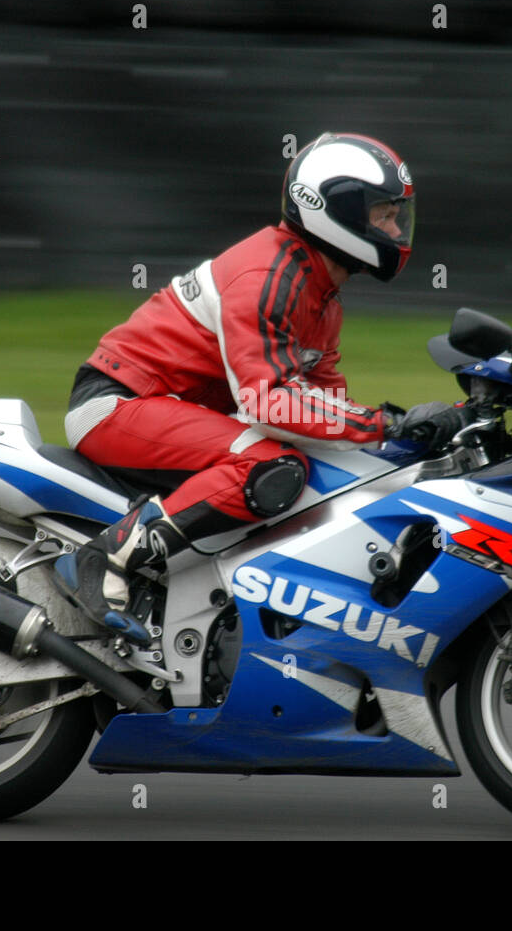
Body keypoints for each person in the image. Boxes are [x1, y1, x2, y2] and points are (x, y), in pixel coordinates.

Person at [56, 132, 465, 645]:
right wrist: (387, 422)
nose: (394, 228)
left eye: (395, 215)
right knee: (270, 467)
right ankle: (106, 557)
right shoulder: (267, 274)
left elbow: (325, 412)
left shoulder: (321, 293)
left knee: (325, 472)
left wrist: (410, 439)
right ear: (333, 210)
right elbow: (267, 403)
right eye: (382, 214)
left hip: (168, 408)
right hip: (118, 403)